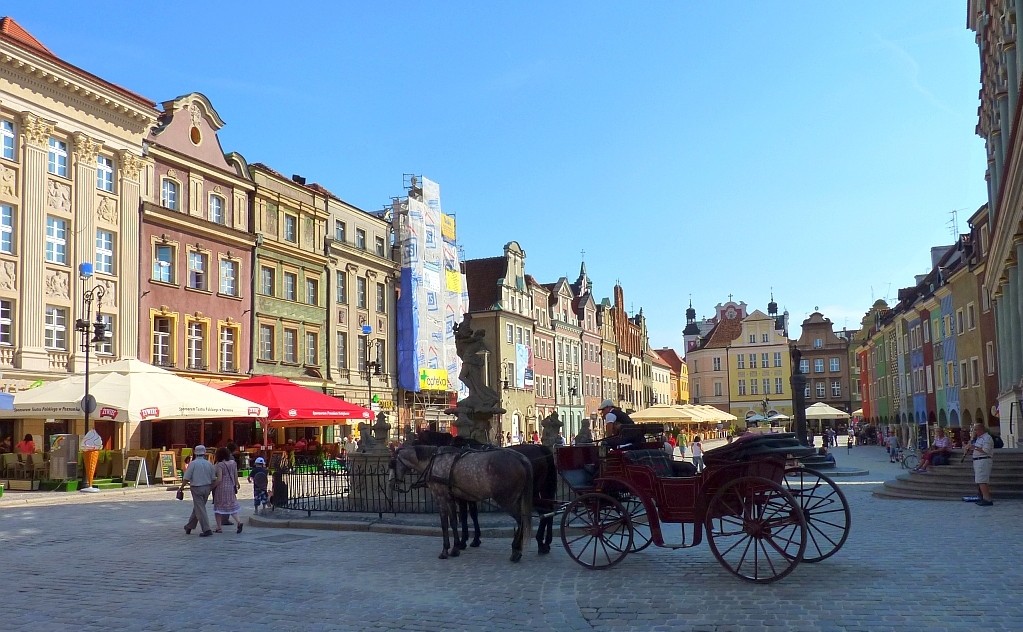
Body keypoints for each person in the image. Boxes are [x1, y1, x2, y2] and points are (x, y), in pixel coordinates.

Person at [179, 445, 217, 537]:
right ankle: (189, 526)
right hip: (207, 488)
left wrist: (181, 487)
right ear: (204, 453)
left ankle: (206, 529)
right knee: (199, 507)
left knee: (200, 508)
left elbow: (186, 477)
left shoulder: (193, 464)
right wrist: (211, 488)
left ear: (195, 453)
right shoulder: (209, 464)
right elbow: (213, 478)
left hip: (196, 488)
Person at [212, 446, 242, 533]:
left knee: (218, 508)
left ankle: (219, 527)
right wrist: (237, 483)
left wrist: (212, 486)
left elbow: (219, 479)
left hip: (221, 488)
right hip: (231, 487)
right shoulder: (233, 463)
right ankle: (239, 522)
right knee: (231, 506)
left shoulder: (220, 464)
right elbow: (235, 475)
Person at [965, 423, 994, 506]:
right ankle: (983, 497)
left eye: (975, 430)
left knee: (982, 480)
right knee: (980, 480)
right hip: (977, 460)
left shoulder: (987, 438)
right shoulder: (977, 439)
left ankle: (987, 499)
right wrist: (968, 448)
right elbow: (975, 450)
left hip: (983, 460)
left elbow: (986, 450)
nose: (974, 432)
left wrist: (974, 447)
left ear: (981, 429)